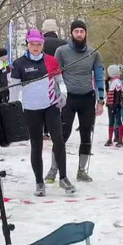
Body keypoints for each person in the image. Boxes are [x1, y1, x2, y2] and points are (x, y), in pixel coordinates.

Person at [9, 29, 74, 196]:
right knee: (36, 145)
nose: (36, 47)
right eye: (32, 44)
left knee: (58, 141)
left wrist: (64, 94)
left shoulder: (51, 61)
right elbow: (14, 90)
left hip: (51, 105)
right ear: (27, 44)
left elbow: (60, 81)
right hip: (31, 109)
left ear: (42, 44)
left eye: (38, 44)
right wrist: (13, 110)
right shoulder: (18, 64)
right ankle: (39, 182)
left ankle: (63, 178)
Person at [48, 19, 104, 184]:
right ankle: (53, 169)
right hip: (68, 99)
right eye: (76, 31)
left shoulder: (94, 53)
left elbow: (99, 77)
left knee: (86, 135)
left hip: (87, 98)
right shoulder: (61, 51)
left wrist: (101, 100)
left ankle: (82, 170)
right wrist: (57, 96)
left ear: (86, 33)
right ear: (71, 33)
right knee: (62, 135)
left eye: (82, 31)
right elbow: (55, 75)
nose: (79, 34)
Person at [105, 64, 123, 147]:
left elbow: (117, 95)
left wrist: (115, 105)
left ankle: (120, 140)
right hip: (110, 105)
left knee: (118, 121)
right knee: (111, 122)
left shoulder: (117, 82)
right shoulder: (111, 81)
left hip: (116, 105)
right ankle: (110, 139)